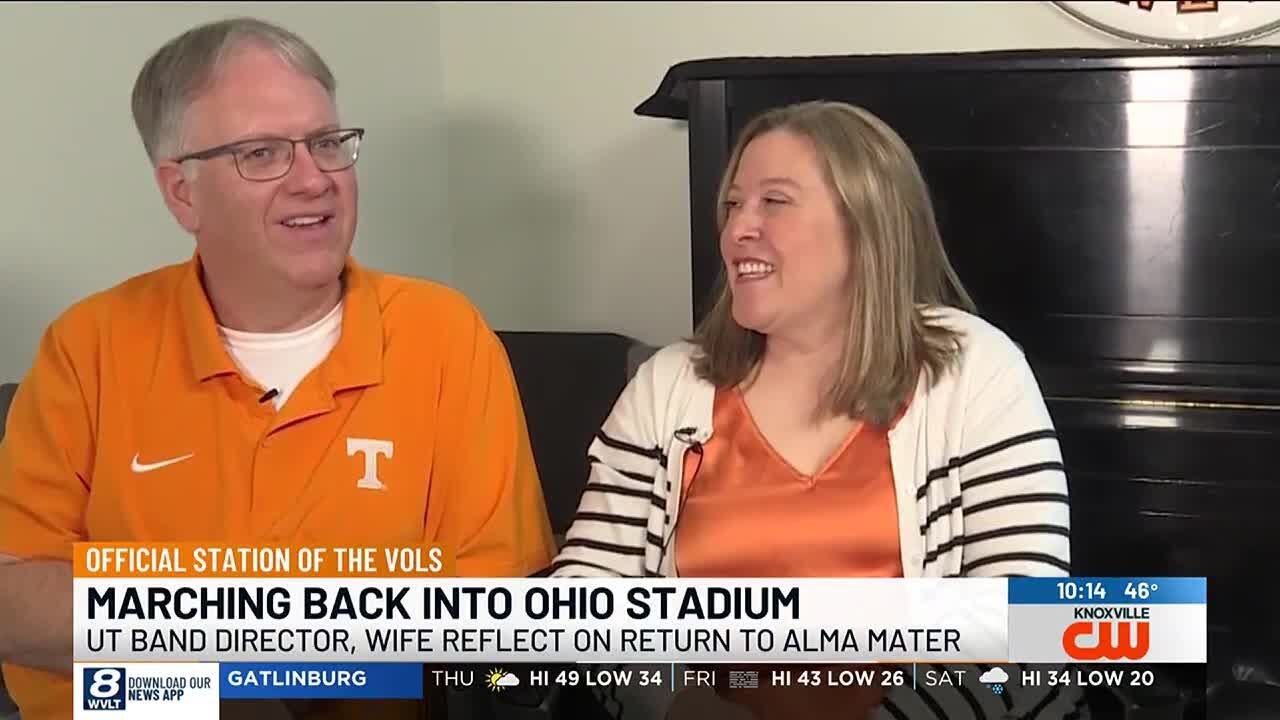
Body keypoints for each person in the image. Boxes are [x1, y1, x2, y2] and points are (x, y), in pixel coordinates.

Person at [0, 17, 556, 720]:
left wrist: (161, 620)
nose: (313, 179)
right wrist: (232, 680)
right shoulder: (87, 346)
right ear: (182, 192)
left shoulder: (446, 336)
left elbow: (489, 626)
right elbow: (16, 602)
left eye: (327, 143)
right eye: (262, 153)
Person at [551, 101, 1084, 719]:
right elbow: (584, 600)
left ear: (868, 224)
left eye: (773, 202)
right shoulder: (668, 385)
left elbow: (1029, 624)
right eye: (732, 205)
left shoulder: (974, 369)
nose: (737, 230)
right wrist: (682, 705)